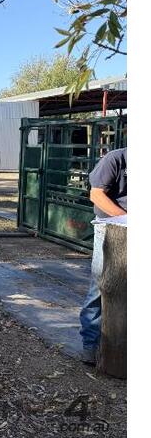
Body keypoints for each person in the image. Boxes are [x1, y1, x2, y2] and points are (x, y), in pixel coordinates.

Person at [79, 147, 126, 364]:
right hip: (111, 230)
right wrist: (127, 218)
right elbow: (96, 194)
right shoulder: (116, 158)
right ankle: (91, 343)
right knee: (101, 286)